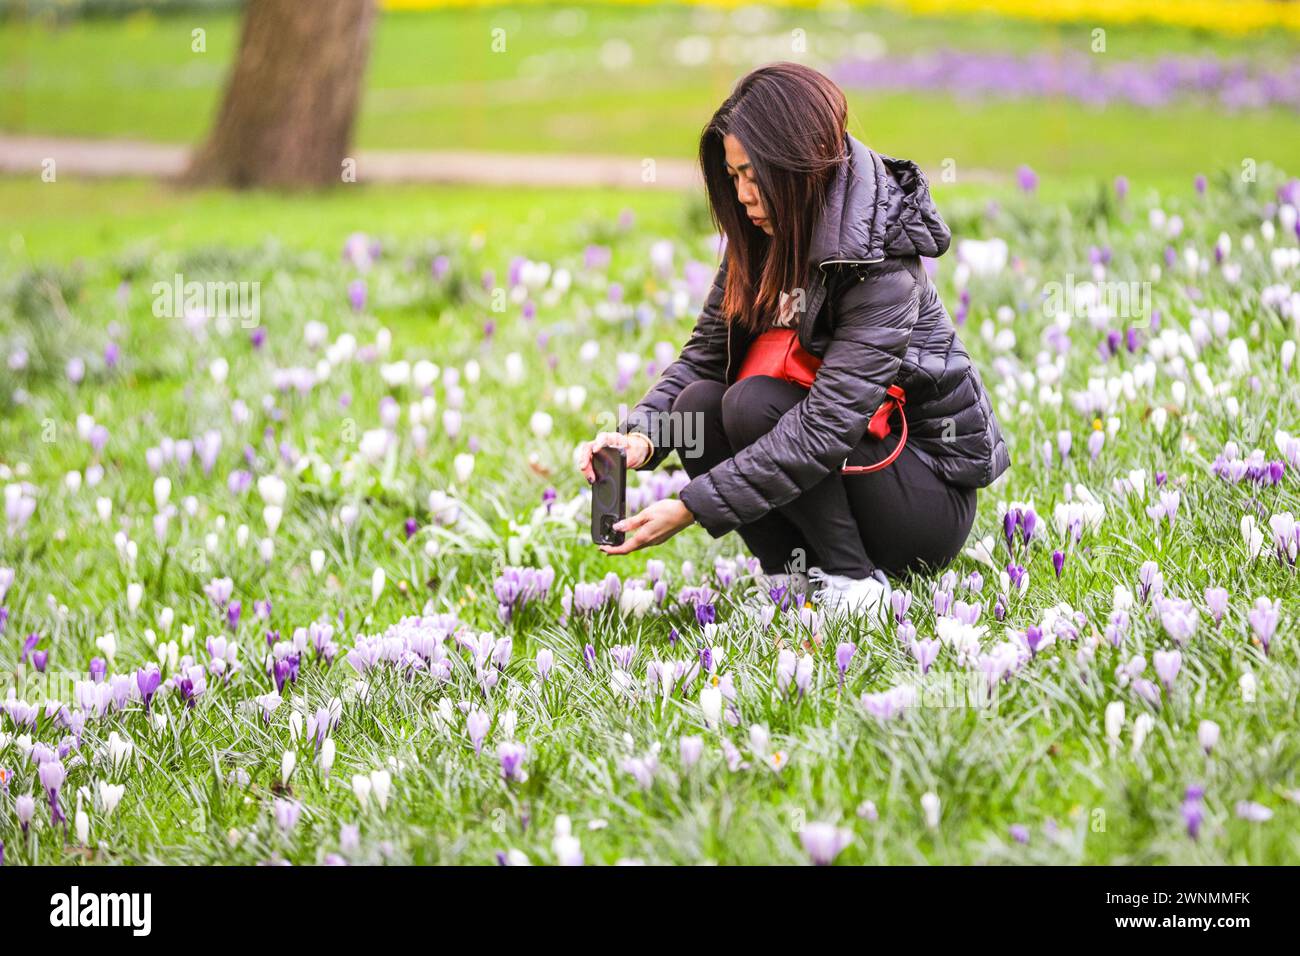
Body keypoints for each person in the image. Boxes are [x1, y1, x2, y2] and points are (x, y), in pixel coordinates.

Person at [575, 62, 1009, 617]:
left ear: (798, 165)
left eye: (754, 175)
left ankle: (857, 588)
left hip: (920, 501)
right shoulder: (761, 236)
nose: (744, 195)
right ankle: (795, 581)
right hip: (853, 472)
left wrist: (689, 507)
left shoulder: (876, 260)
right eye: (733, 177)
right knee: (698, 407)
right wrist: (636, 436)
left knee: (754, 404)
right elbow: (706, 360)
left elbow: (826, 427)